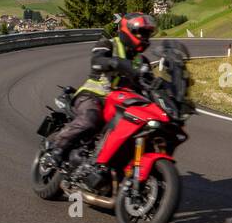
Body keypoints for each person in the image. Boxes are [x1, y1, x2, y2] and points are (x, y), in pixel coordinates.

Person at [45, 13, 157, 189]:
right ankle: (56, 149)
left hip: (122, 104)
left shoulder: (142, 61)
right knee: (91, 119)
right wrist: (117, 63)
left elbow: (149, 86)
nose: (144, 37)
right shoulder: (109, 44)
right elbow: (97, 60)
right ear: (128, 30)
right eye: (140, 32)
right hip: (93, 95)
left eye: (147, 33)